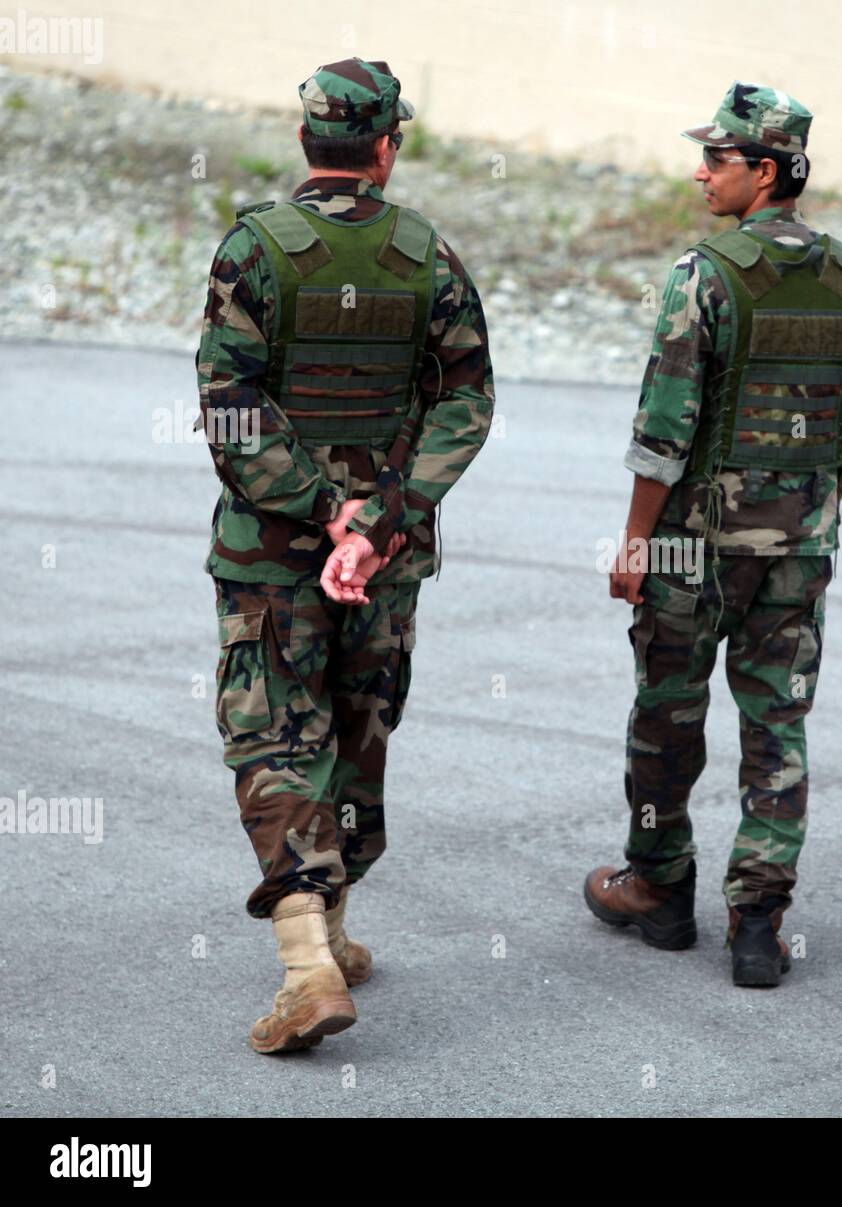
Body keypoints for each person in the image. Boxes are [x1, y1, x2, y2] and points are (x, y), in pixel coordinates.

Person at [196, 57, 493, 1051]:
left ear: (305, 143)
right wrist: (382, 514)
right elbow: (467, 397)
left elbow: (231, 410)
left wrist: (322, 509)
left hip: (274, 556)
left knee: (276, 736)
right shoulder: (429, 255)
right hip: (387, 561)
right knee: (360, 731)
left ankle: (307, 962)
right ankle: (338, 921)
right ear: (385, 149)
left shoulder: (255, 251)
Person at [585, 82, 842, 987]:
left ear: (765, 172)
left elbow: (662, 435)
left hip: (692, 550)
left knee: (667, 719)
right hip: (799, 546)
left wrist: (636, 542)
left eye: (717, 159)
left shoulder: (703, 277)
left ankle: (658, 889)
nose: (701, 172)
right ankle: (758, 924)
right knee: (777, 724)